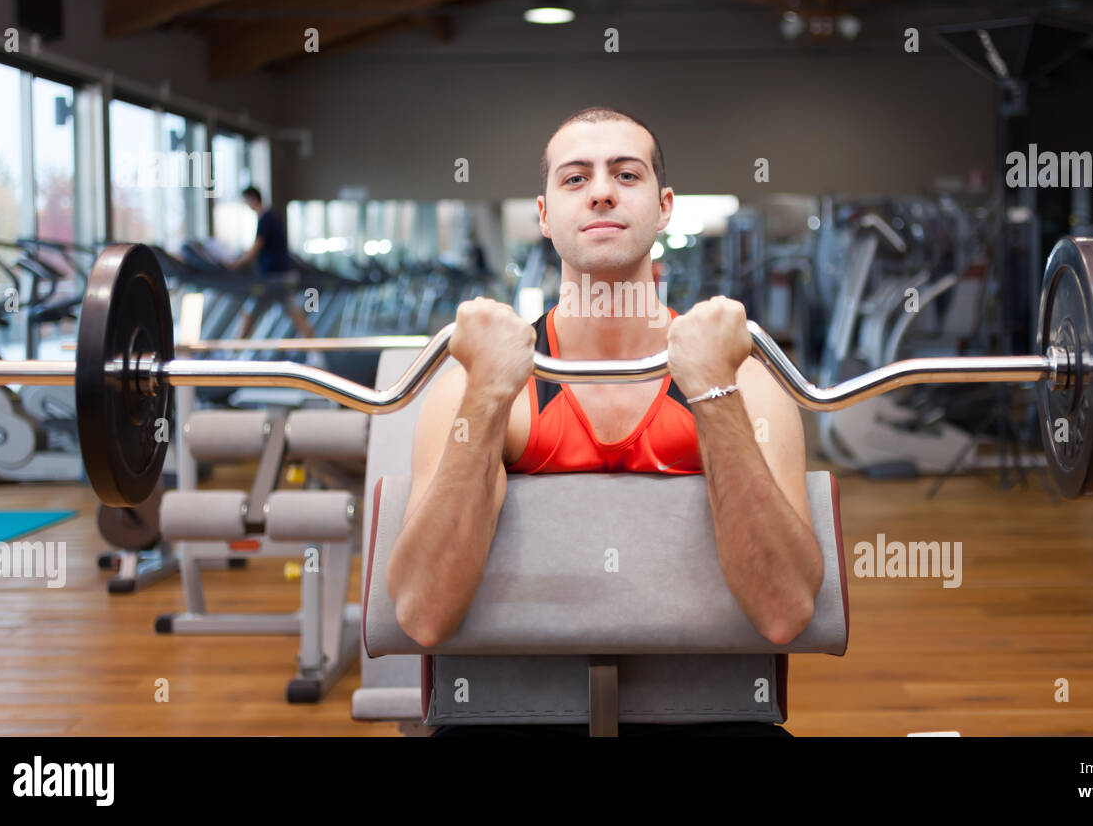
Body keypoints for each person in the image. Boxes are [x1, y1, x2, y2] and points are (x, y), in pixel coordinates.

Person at [386, 107, 824, 737]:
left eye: (626, 174)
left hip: (712, 721)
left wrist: (712, 392)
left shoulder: (746, 383)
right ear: (542, 213)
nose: (600, 191)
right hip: (506, 723)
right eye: (574, 179)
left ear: (665, 205)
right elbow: (423, 614)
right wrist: (484, 397)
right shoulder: (486, 387)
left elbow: (784, 612)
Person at [227, 186, 318, 345]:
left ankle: (232, 355)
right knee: (294, 314)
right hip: (279, 276)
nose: (246, 206)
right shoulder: (271, 217)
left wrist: (235, 265)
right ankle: (316, 355)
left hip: (274, 279)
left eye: (246, 201)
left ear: (253, 199)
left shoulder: (265, 219)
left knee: (250, 314)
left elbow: (255, 249)